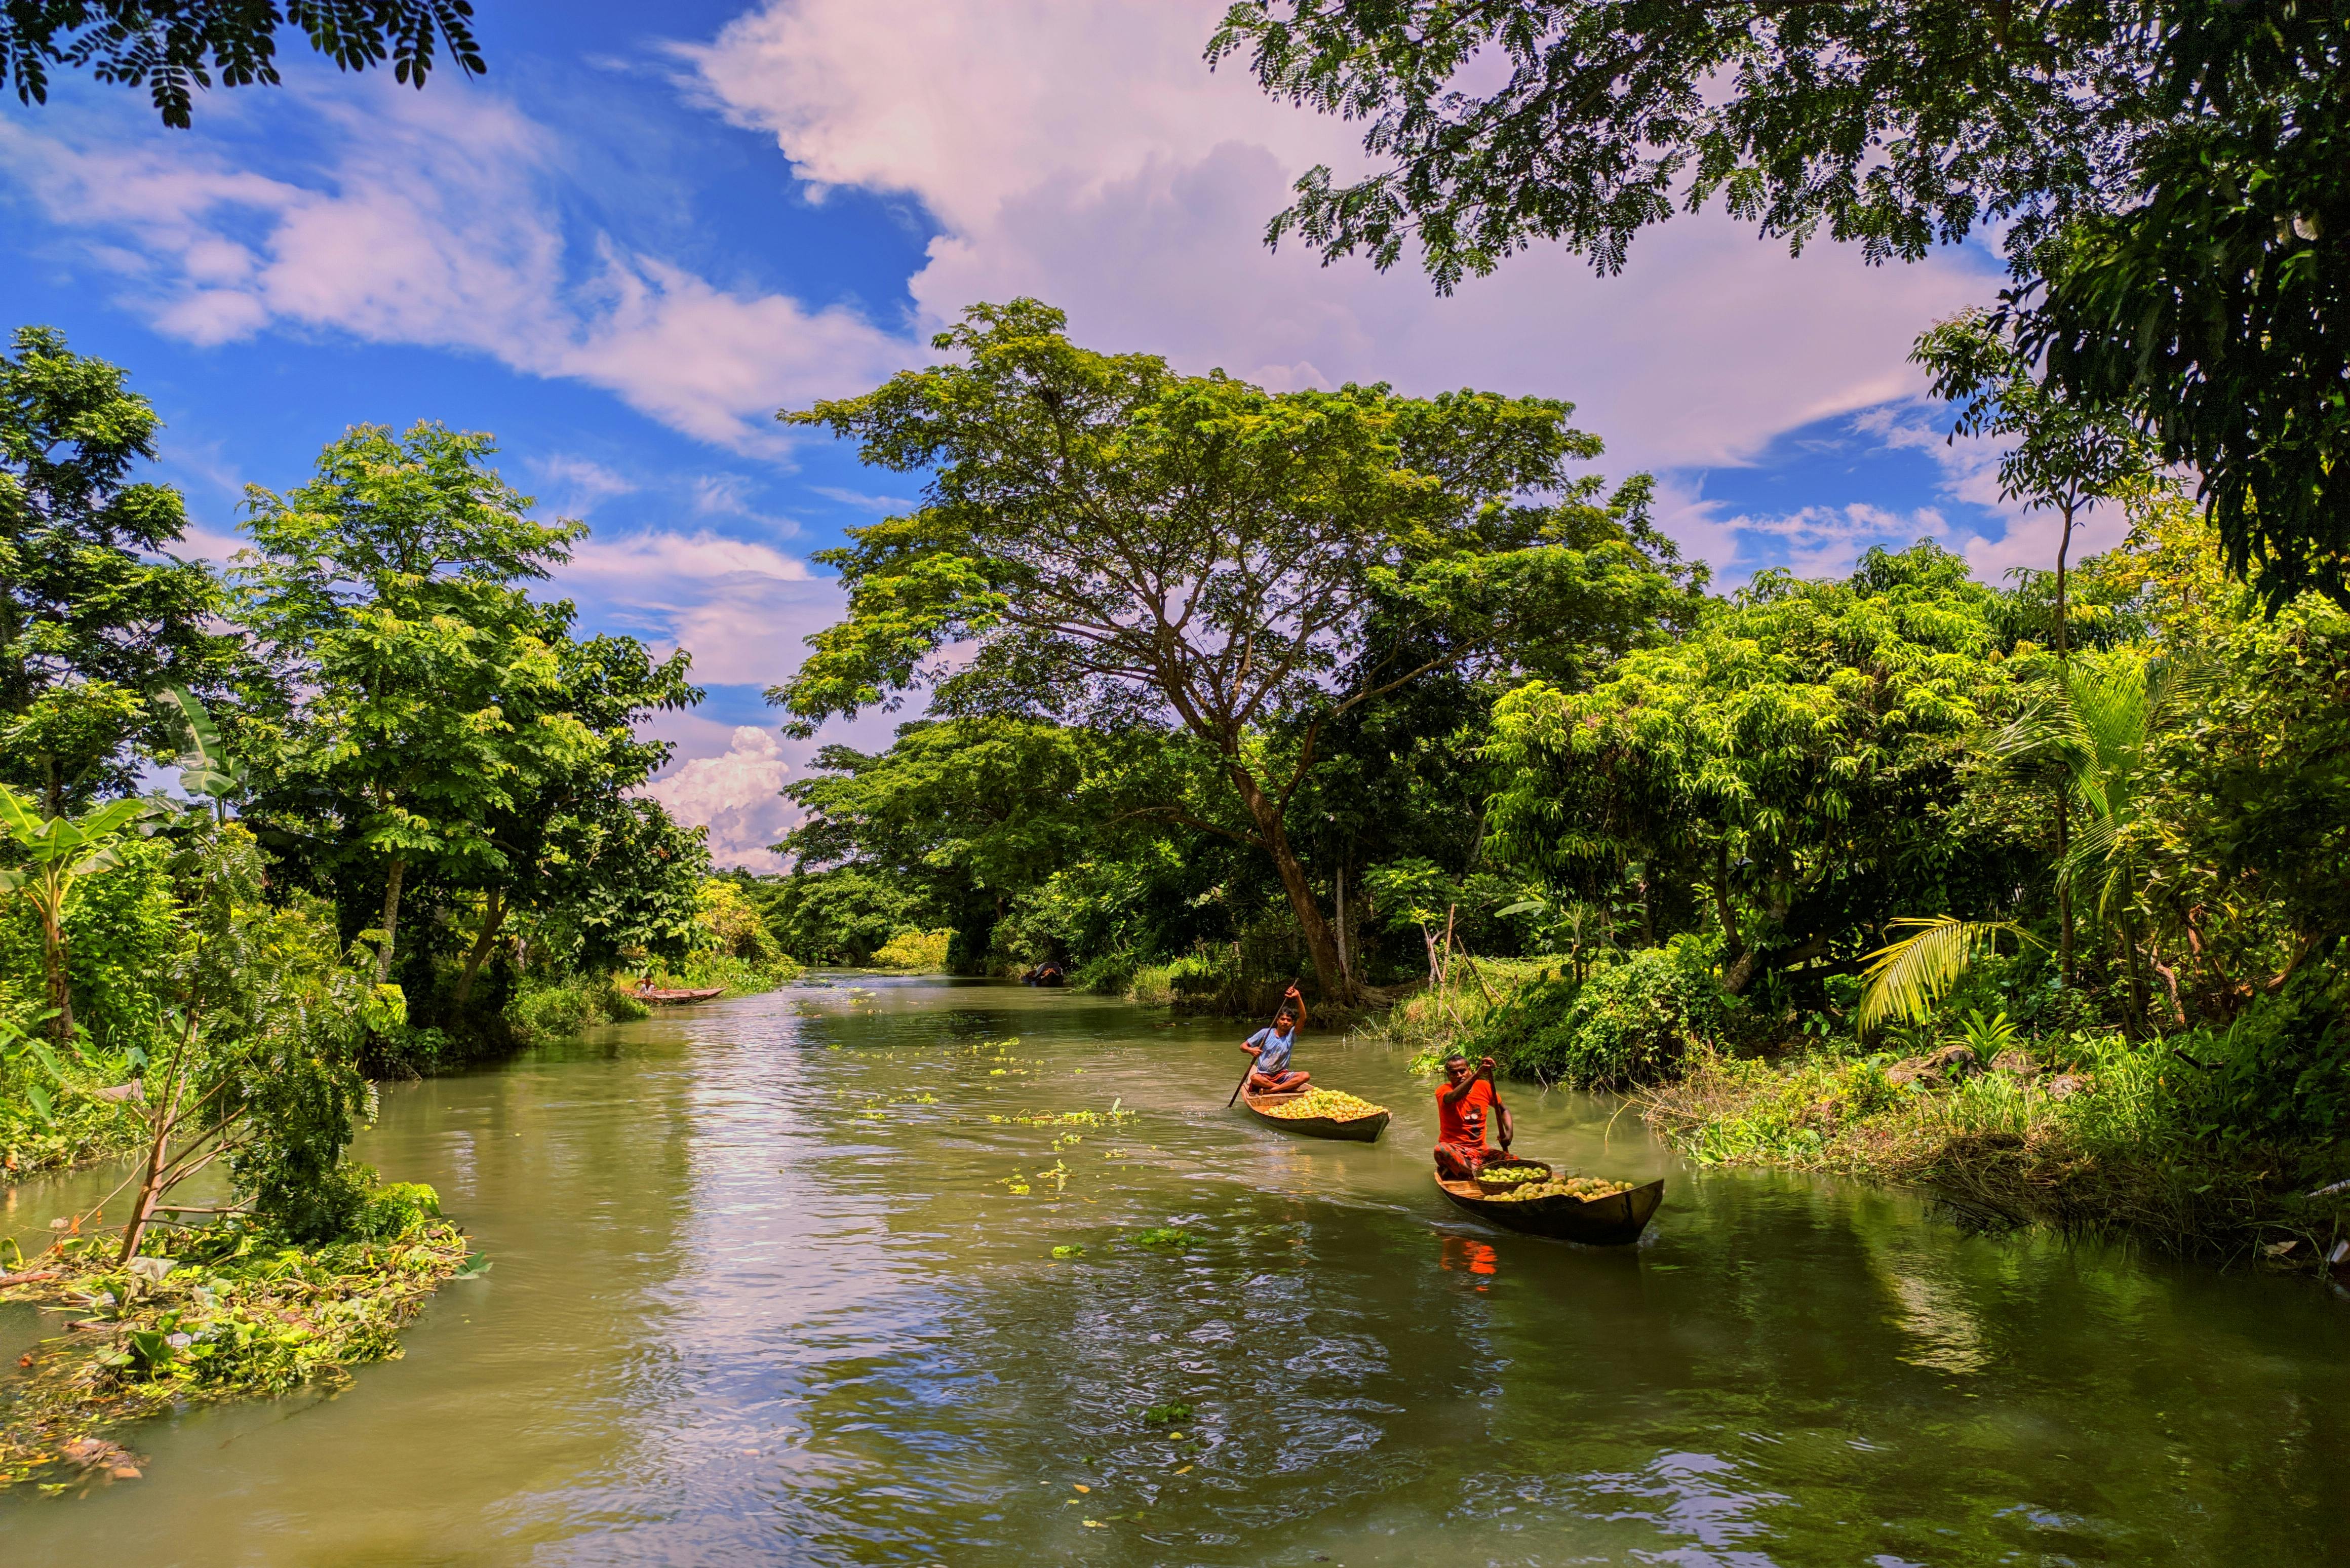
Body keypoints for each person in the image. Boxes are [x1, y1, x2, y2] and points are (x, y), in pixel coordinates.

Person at [1433, 1053, 1513, 1180]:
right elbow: (1454, 1097)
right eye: (1454, 1073)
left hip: (1480, 1150)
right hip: (1455, 1149)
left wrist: (1509, 1133)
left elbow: (1504, 1110)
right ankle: (1479, 1173)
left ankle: (1473, 1170)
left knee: (1513, 1161)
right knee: (1441, 1150)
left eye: (1463, 1071)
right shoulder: (1443, 1091)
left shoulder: (1484, 1087)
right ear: (1449, 1076)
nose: (1460, 1076)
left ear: (1468, 1070)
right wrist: (1477, 1075)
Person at [1240, 984, 1310, 1094]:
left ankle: (1272, 1090)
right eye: (1283, 1019)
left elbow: (1303, 1018)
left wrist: (1298, 997)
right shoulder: (1265, 1033)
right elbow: (1243, 1047)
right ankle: (1283, 1088)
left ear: (1292, 1023)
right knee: (1255, 1078)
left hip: (1282, 1075)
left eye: (1289, 1020)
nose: (1285, 1022)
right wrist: (1251, 1050)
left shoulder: (1292, 1035)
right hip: (1264, 1077)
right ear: (1277, 1020)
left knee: (1305, 1076)